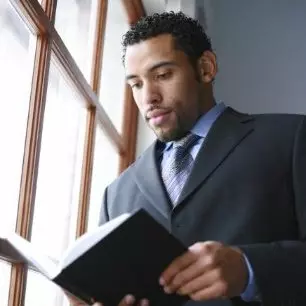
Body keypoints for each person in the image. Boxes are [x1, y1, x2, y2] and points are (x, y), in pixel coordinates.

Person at [72, 11, 306, 306]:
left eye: (162, 75)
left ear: (206, 68)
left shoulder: (293, 137)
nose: (149, 97)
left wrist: (249, 269)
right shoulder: (115, 194)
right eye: (137, 84)